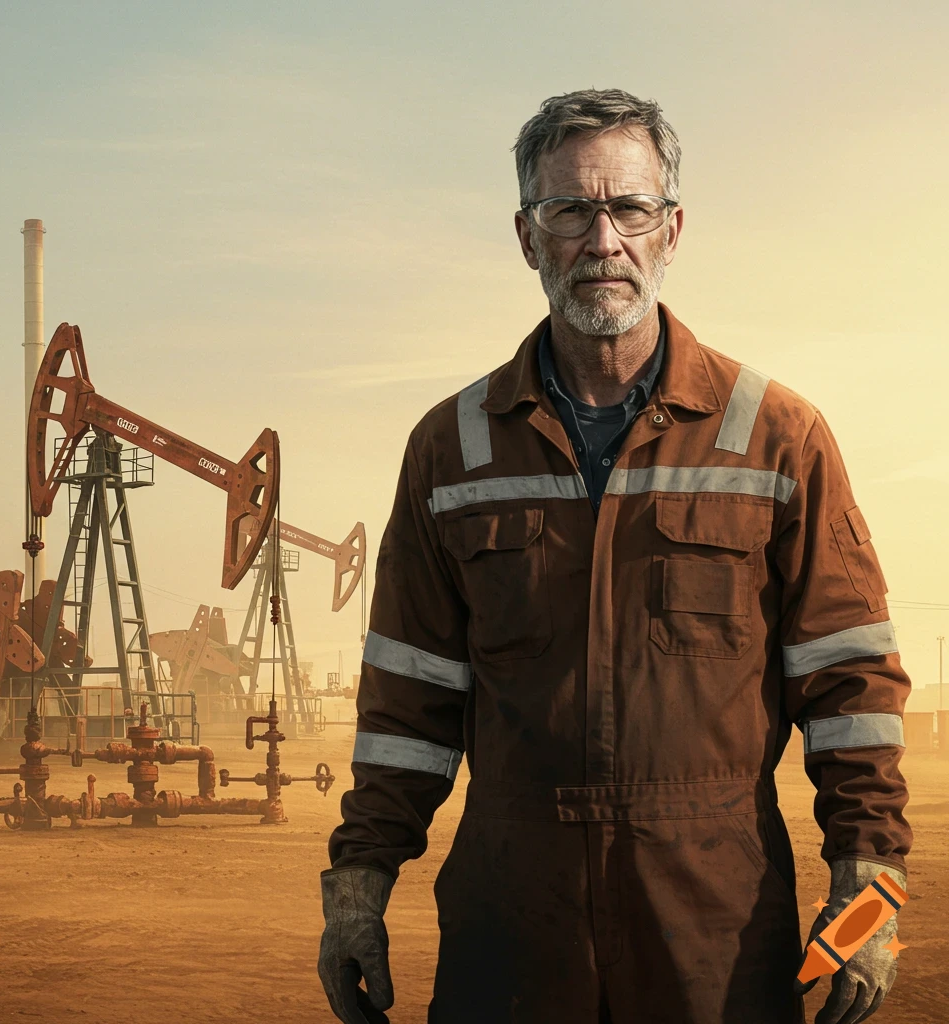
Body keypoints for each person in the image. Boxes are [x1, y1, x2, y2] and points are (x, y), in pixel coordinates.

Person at [317, 88, 911, 1024]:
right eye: (570, 211)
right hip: (509, 934)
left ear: (670, 230)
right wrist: (358, 884)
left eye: (629, 208)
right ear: (527, 235)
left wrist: (870, 900)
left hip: (715, 931)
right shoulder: (453, 447)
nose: (604, 241)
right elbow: (408, 703)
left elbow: (853, 686)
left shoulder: (777, 438)